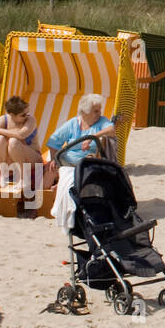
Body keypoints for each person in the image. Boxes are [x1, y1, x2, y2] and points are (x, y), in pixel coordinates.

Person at [46, 94, 115, 233]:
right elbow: (53, 141)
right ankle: (42, 204)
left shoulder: (101, 122)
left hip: (87, 162)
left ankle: (61, 199)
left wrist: (92, 137)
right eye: (95, 111)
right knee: (50, 168)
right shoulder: (73, 124)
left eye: (99, 110)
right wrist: (55, 159)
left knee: (69, 178)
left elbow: (112, 129)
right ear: (84, 112)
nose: (99, 113)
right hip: (67, 160)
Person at [0, 97, 42, 188]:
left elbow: (21, 135)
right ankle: (3, 175)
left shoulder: (30, 120)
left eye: (27, 113)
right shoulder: (3, 120)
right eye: (23, 115)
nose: (26, 116)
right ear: (12, 115)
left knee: (13, 141)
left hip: (32, 158)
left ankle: (24, 178)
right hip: (12, 159)